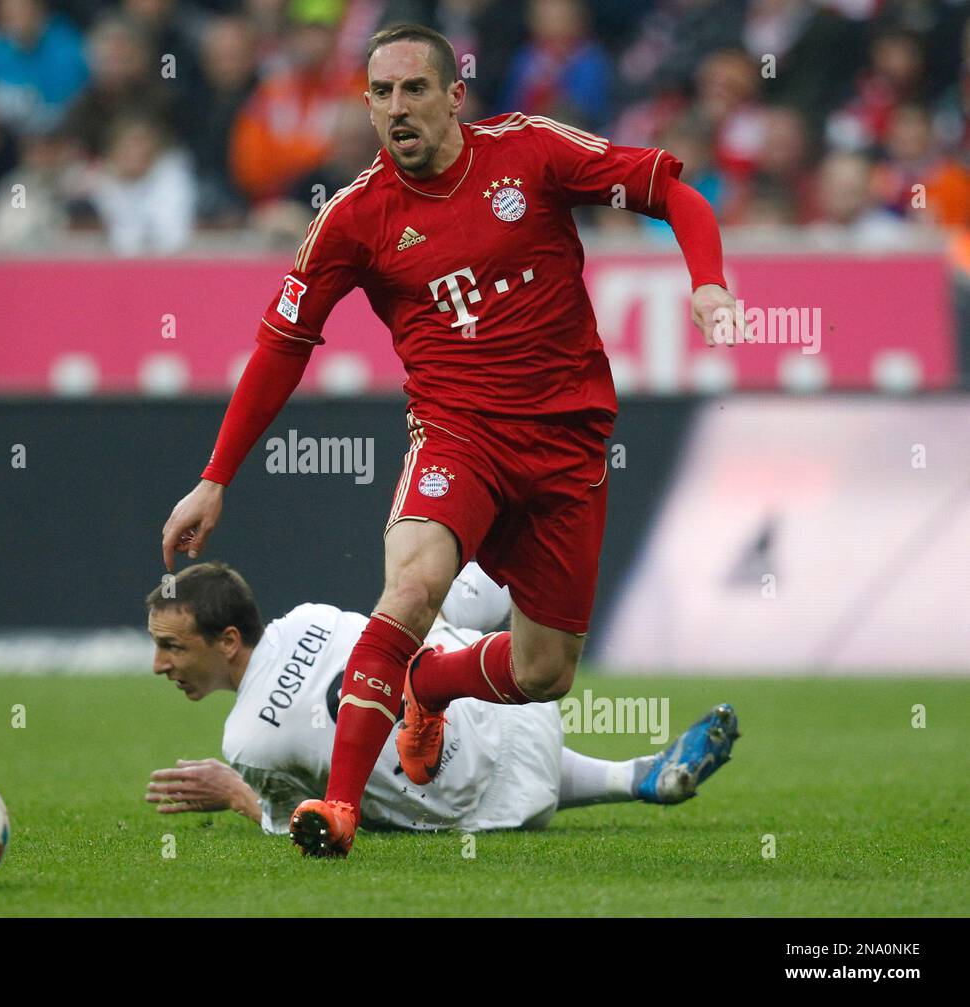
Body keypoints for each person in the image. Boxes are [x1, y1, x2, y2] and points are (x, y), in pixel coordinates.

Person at [161, 23, 741, 857]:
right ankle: (342, 807)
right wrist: (215, 476)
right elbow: (280, 349)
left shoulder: (531, 152)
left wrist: (709, 283)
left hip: (568, 443)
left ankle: (429, 682)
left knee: (545, 671)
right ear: (365, 105)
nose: (397, 108)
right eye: (381, 94)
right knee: (414, 584)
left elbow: (672, 193)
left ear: (453, 95)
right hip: (456, 435)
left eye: (414, 89)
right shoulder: (353, 219)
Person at [143, 562, 739, 841]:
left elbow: (300, 826)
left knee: (364, 794)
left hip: (487, 803)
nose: (160, 664)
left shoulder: (245, 741)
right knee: (426, 607)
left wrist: (230, 793)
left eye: (170, 646)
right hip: (513, 707)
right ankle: (637, 775)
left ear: (226, 642)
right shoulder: (309, 615)